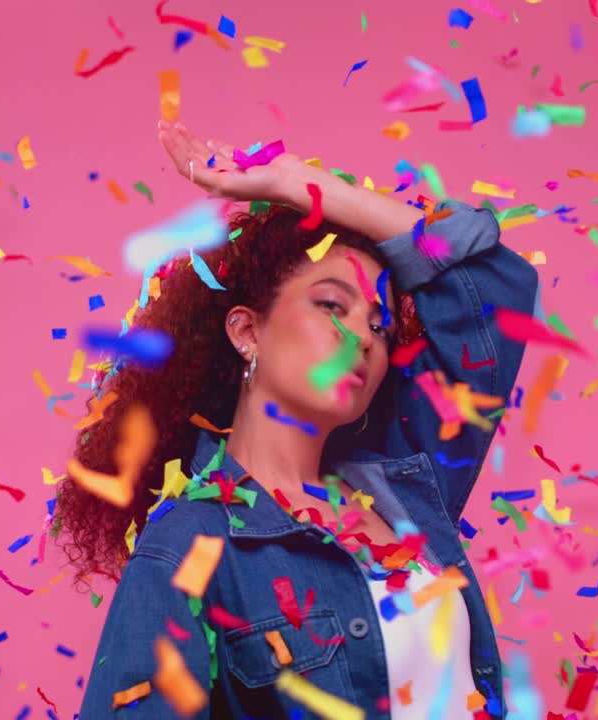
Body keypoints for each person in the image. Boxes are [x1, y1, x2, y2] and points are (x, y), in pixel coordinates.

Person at [58, 120, 539, 718]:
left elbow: (493, 285)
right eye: (332, 305)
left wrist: (298, 182)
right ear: (246, 330)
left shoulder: (402, 490)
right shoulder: (188, 548)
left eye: (379, 324)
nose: (361, 338)